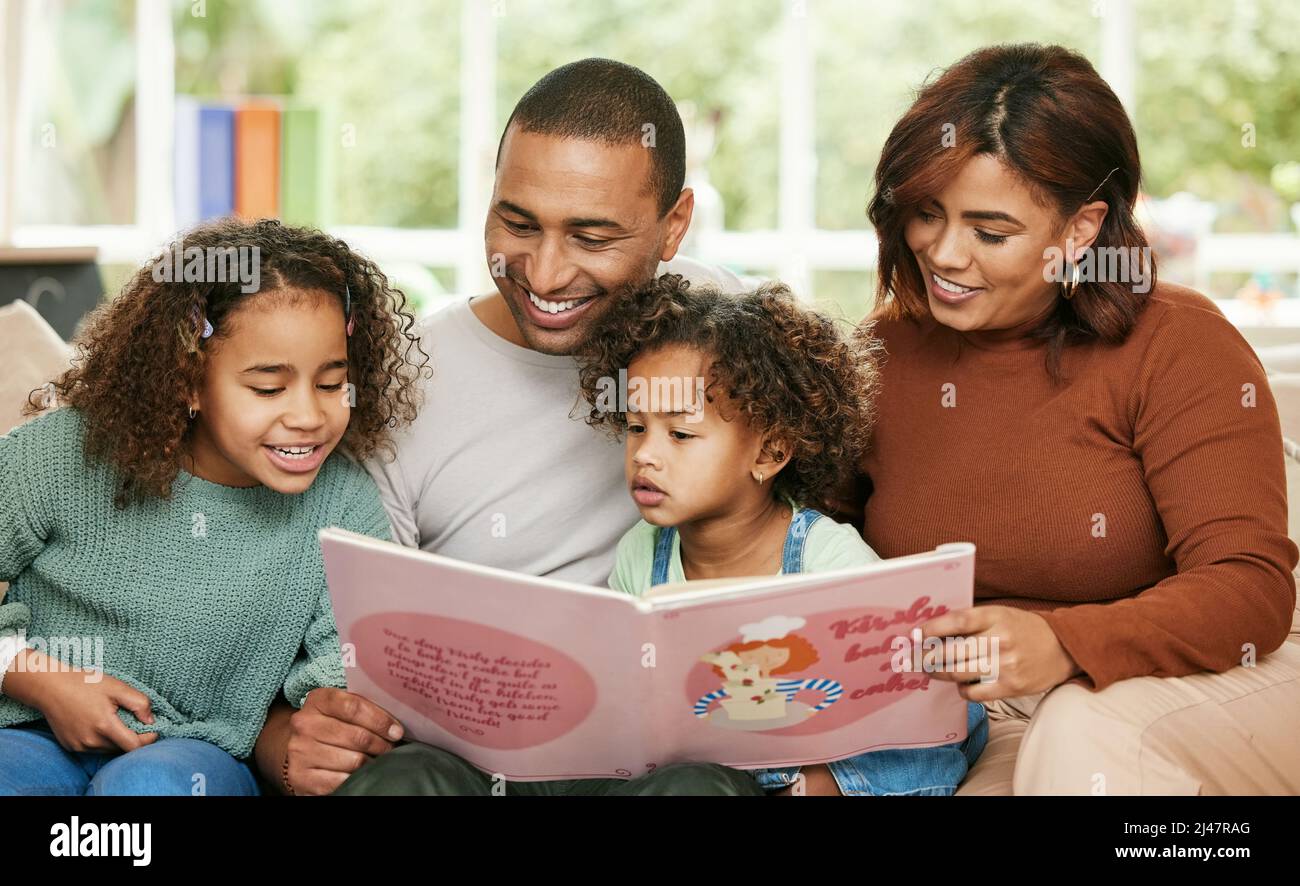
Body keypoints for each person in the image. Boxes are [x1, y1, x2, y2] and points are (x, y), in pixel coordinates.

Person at [254, 59, 758, 796]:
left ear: (673, 225)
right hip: (461, 762)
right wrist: (279, 737)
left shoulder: (731, 331)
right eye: (517, 224)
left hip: (660, 757)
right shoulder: (403, 382)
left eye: (592, 237)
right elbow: (315, 625)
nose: (546, 274)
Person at [850, 43, 1300, 794]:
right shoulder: (881, 354)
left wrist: (1062, 641)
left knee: (1081, 735)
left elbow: (1247, 590)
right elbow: (808, 551)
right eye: (927, 214)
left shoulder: (1178, 344)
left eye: (990, 233)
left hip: (1200, 682)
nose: (944, 253)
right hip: (979, 716)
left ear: (1081, 230)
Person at [0, 218, 427, 795]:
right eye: (268, 388)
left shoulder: (345, 506)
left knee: (150, 790)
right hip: (31, 730)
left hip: (193, 756)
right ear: (190, 382)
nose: (307, 415)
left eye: (331, 383)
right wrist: (44, 682)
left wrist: (337, 720)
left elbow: (348, 667)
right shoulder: (61, 454)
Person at [584, 275, 988, 795]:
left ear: (770, 454)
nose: (645, 454)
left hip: (829, 749)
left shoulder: (826, 552)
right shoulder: (640, 552)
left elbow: (896, 697)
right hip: (708, 761)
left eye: (680, 434)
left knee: (929, 721)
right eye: (636, 427)